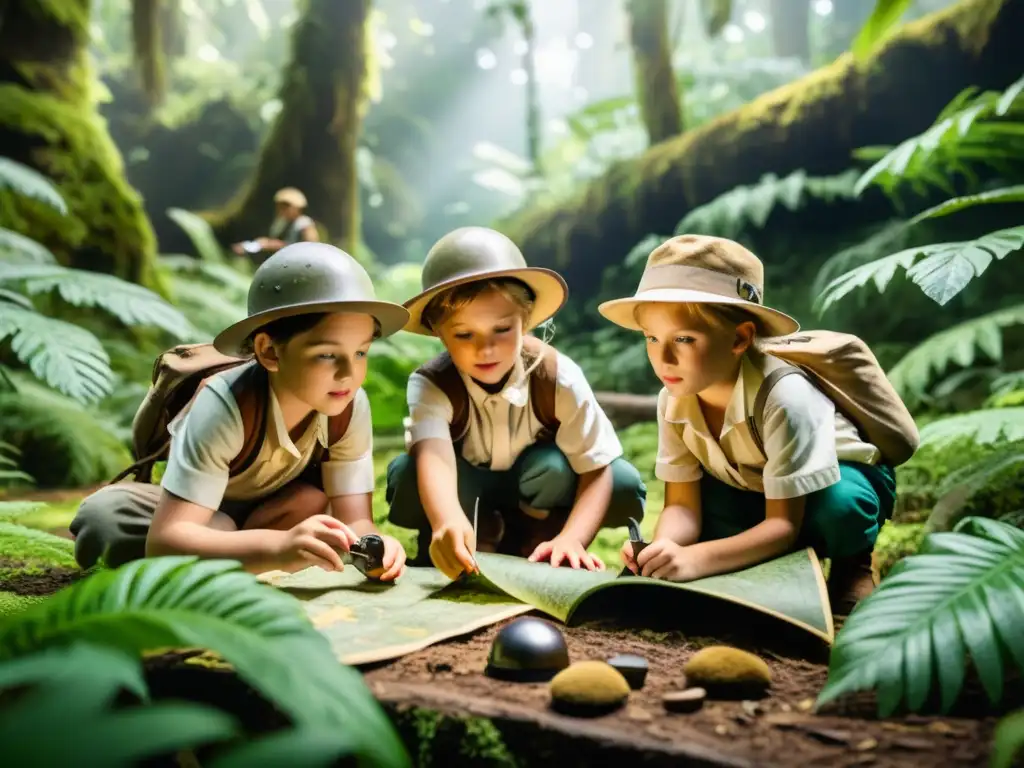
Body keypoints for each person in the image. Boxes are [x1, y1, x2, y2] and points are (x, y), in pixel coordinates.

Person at [70, 242, 411, 579]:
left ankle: (225, 551)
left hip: (278, 512)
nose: (349, 374)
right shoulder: (224, 404)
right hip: (196, 509)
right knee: (105, 516)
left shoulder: (348, 406)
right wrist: (276, 549)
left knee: (311, 501)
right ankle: (231, 548)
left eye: (361, 353)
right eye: (326, 355)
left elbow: (356, 520)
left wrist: (377, 544)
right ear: (269, 351)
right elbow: (165, 541)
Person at [599, 234, 897, 616]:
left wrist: (695, 560)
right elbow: (683, 506)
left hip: (837, 479)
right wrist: (664, 549)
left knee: (839, 511)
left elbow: (783, 525)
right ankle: (764, 561)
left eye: (684, 339)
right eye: (652, 338)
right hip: (752, 485)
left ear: (740, 338)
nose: (664, 358)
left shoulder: (784, 397)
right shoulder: (673, 397)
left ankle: (852, 565)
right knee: (710, 518)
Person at [385, 226, 647, 581]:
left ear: (525, 321)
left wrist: (573, 538)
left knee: (619, 479)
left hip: (539, 488)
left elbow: (596, 467)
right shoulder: (432, 384)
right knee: (408, 472)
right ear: (439, 332)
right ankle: (457, 540)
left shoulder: (559, 376)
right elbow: (434, 456)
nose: (485, 348)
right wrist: (446, 520)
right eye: (464, 334)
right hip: (468, 486)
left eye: (502, 329)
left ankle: (541, 539)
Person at [231, 187, 319, 262]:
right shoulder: (284, 224)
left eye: (286, 206)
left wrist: (269, 244)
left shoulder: (304, 224)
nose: (281, 210)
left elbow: (310, 248)